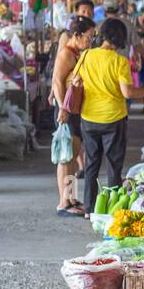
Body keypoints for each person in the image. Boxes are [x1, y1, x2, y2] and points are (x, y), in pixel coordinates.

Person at [69, 17, 144, 215]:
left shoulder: (86, 56)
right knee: (113, 166)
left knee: (91, 164)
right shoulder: (119, 61)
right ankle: (111, 211)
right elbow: (127, 93)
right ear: (120, 39)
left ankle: (89, 210)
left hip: (89, 118)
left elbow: (74, 80)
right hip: (114, 119)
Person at [51, 17, 96, 217]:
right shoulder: (66, 55)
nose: (91, 41)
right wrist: (63, 108)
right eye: (89, 37)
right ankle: (63, 202)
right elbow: (56, 82)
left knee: (72, 154)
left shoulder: (77, 53)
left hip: (73, 110)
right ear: (77, 36)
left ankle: (70, 198)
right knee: (65, 158)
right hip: (66, 111)